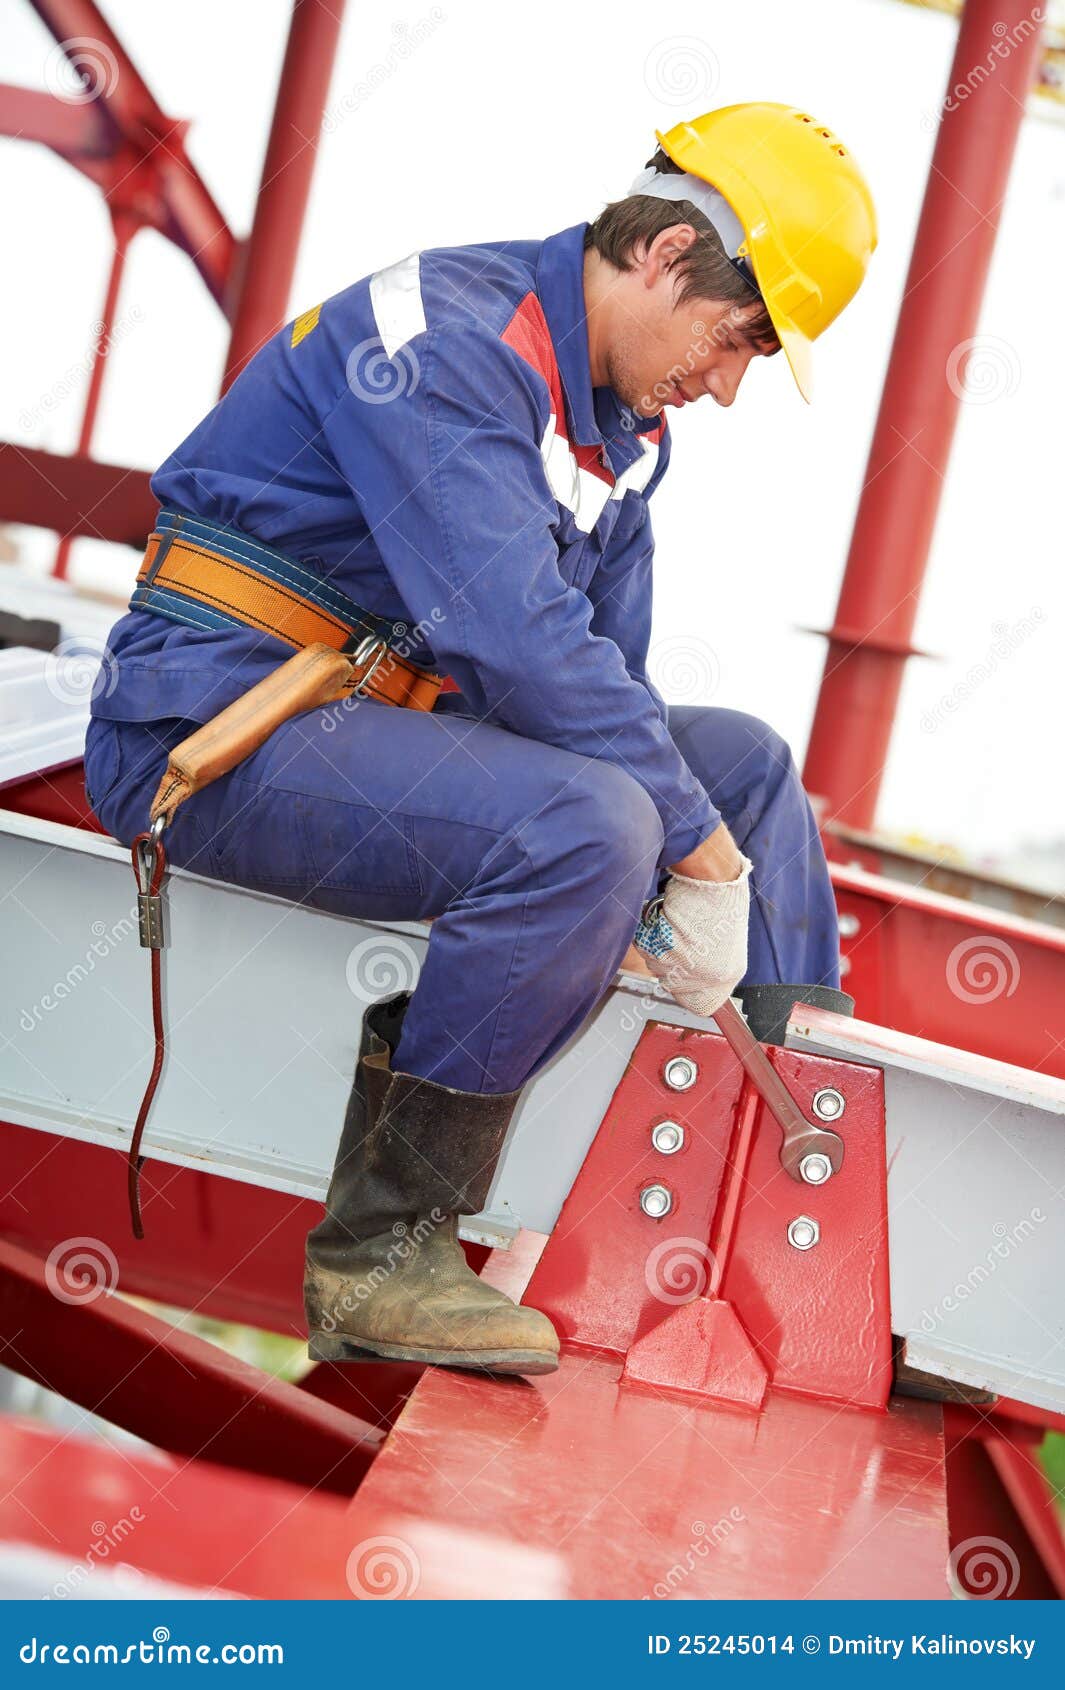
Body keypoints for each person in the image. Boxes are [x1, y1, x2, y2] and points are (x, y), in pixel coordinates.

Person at [84, 102, 877, 1377]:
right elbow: (514, 640)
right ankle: (382, 1254)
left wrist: (710, 831)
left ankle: (797, 1218)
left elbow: (603, 684)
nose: (728, 384)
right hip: (213, 724)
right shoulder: (443, 342)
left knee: (743, 768)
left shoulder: (617, 432)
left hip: (373, 733)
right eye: (738, 338)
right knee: (604, 824)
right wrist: (694, 857)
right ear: (667, 254)